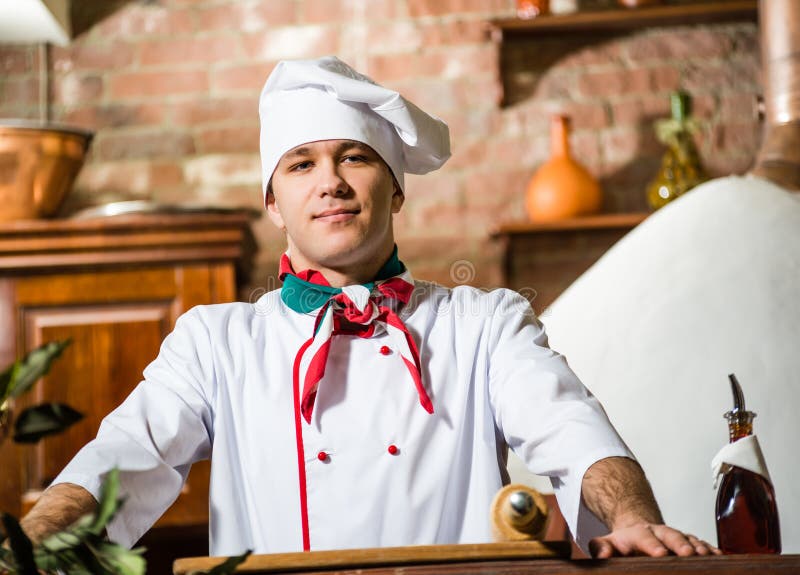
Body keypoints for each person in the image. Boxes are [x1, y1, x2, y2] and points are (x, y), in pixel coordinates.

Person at [20, 56, 717, 560]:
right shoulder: (215, 341)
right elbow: (122, 459)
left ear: (395, 189)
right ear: (273, 203)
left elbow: (573, 432)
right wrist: (32, 544)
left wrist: (632, 517)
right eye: (301, 165)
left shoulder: (484, 324)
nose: (331, 183)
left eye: (355, 158)